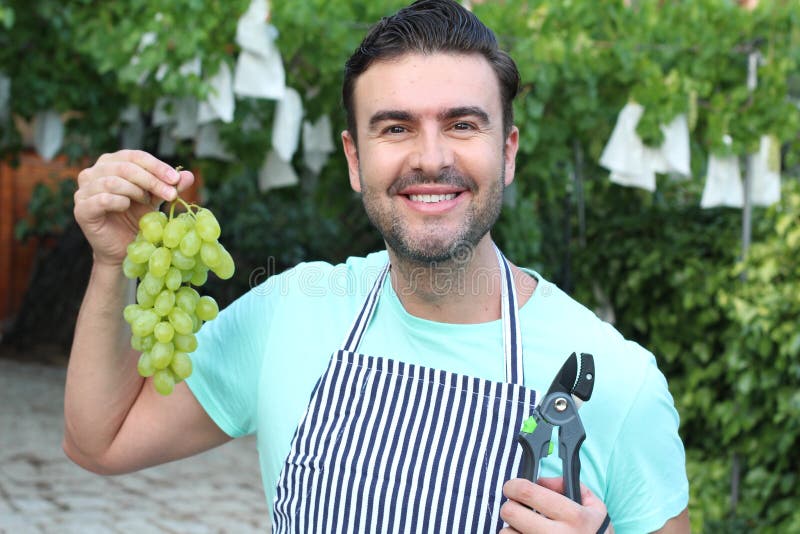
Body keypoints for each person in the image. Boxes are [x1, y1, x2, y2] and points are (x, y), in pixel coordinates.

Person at [64, 0, 690, 532]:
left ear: (507, 151)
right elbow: (99, 440)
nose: (431, 157)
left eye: (462, 123)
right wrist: (112, 263)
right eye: (395, 127)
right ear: (355, 158)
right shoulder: (291, 310)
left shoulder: (621, 381)